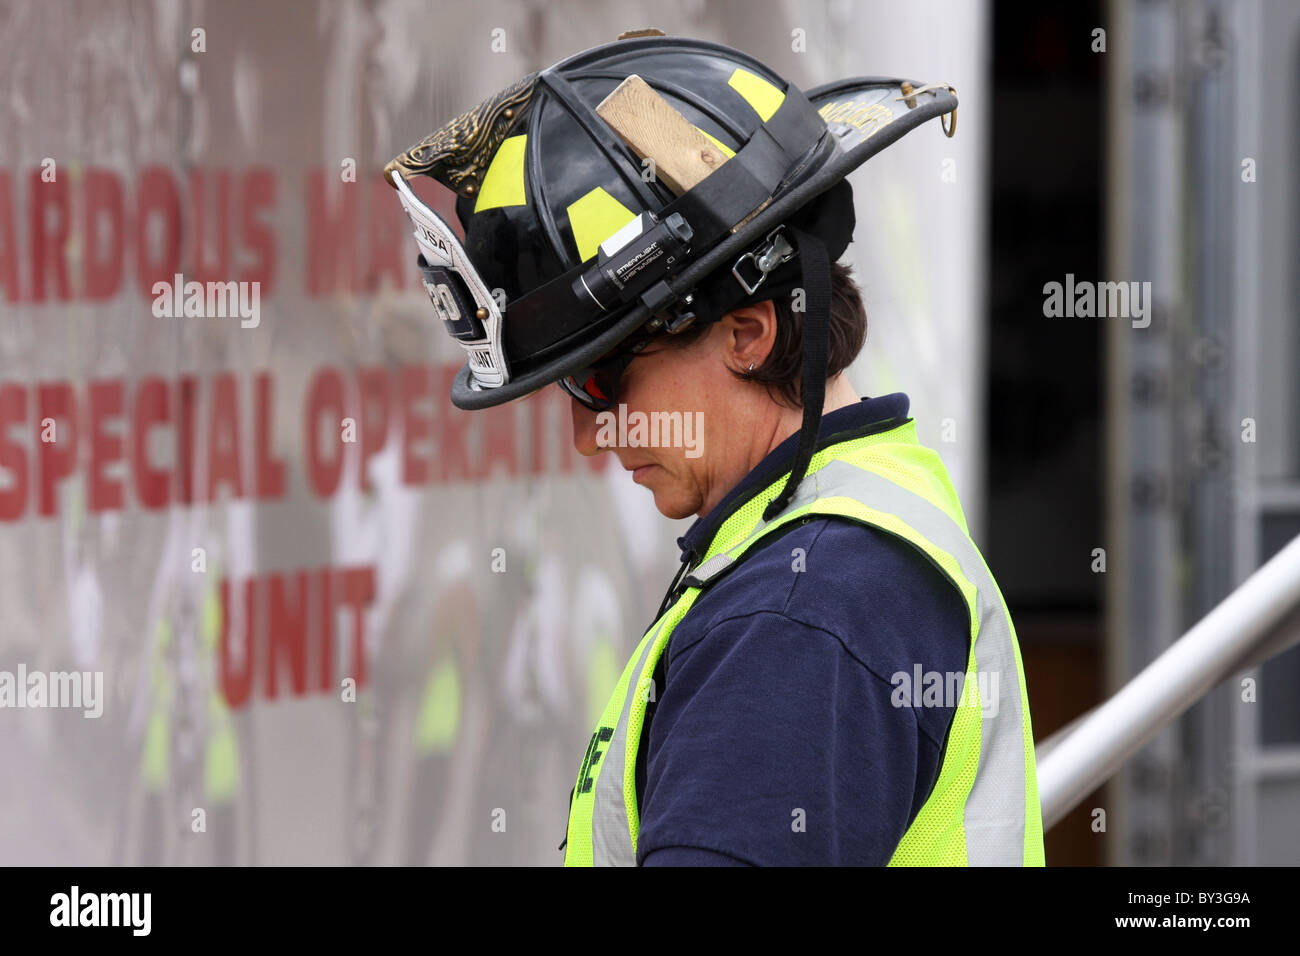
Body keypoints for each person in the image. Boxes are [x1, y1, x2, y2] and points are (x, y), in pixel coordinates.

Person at [385, 30, 1044, 866]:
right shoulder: (861, 513)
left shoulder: (800, 620)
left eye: (600, 380)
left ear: (748, 333)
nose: (590, 435)